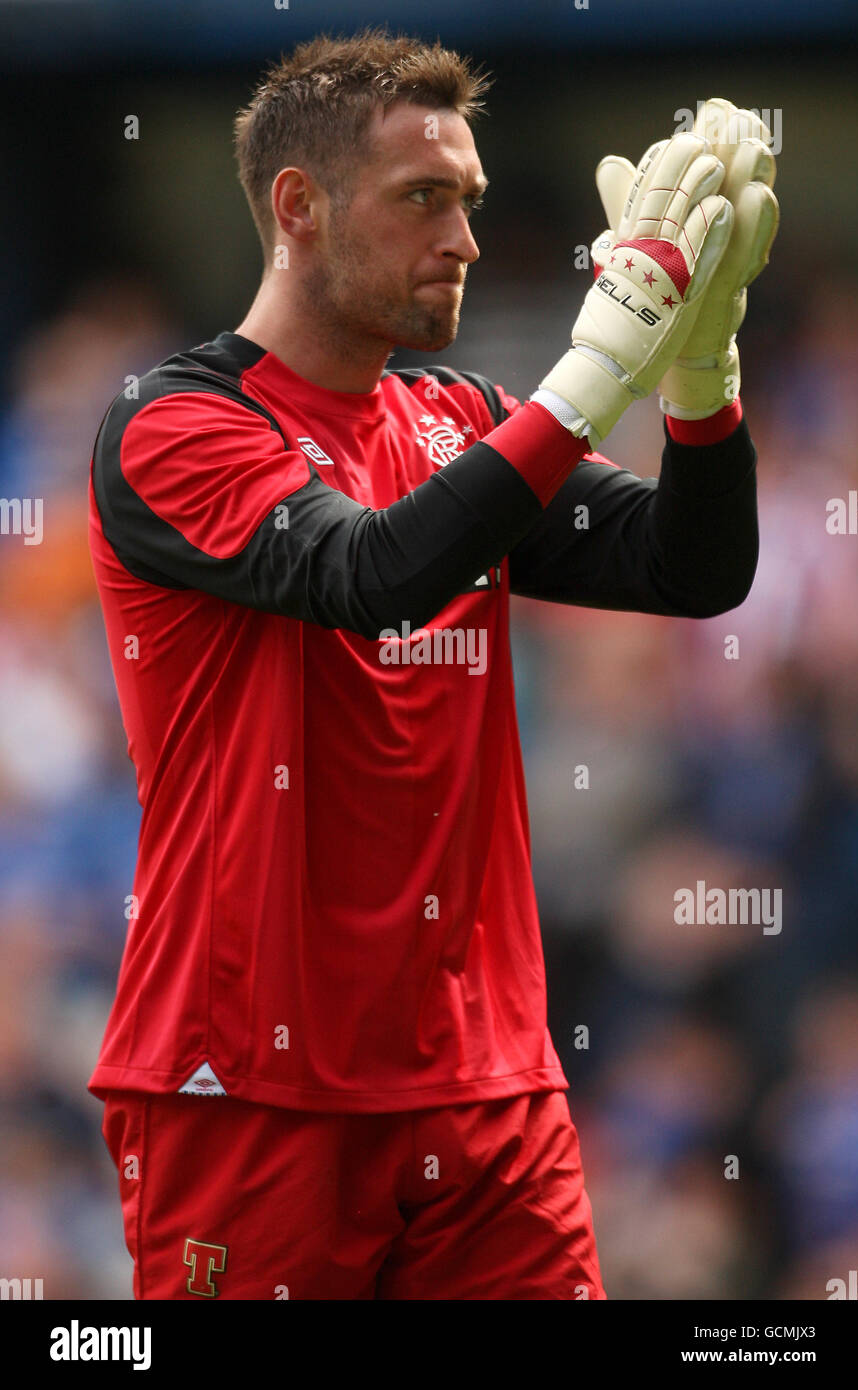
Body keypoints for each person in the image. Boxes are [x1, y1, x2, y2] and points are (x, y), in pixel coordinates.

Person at [88, 29, 777, 1299]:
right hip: (250, 1090)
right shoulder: (173, 424)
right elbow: (369, 575)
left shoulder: (451, 420)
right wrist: (588, 372)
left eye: (468, 200)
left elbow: (690, 571)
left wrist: (696, 372)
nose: (461, 239)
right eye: (423, 200)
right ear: (298, 207)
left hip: (488, 1090)